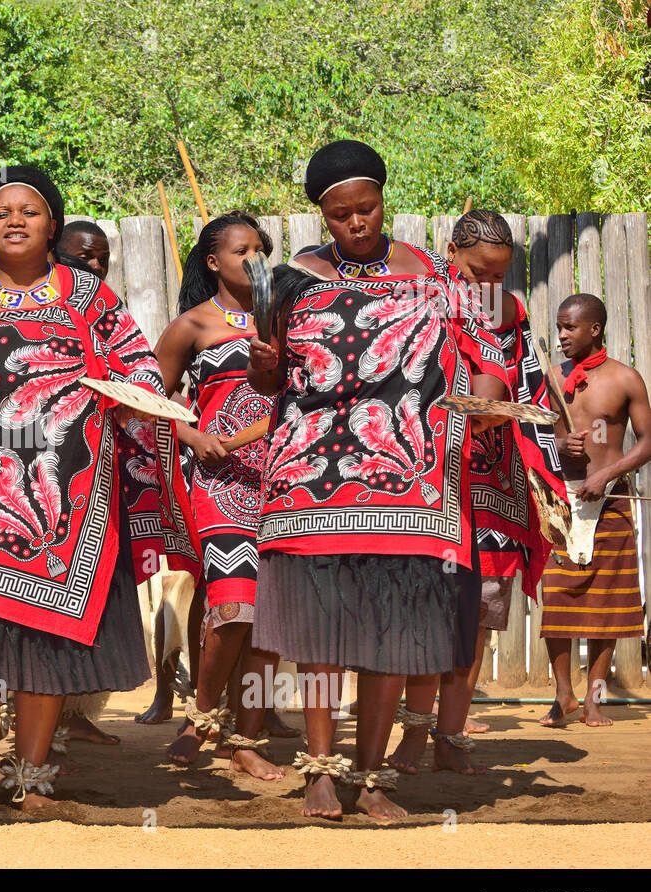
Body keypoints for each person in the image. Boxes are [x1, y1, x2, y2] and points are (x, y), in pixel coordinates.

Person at [0, 165, 199, 813]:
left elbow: (140, 371)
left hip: (65, 490)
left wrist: (140, 402)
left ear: (53, 226)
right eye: (1, 211)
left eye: (29, 211)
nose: (14, 219)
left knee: (47, 629)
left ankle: (32, 775)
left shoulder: (91, 300)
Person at [249, 139, 509, 821]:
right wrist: (265, 361)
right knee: (322, 632)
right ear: (322, 216)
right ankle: (320, 773)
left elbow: (486, 352)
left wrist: (479, 410)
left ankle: (372, 779)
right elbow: (267, 378)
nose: (356, 223)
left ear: (383, 200)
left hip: (408, 478)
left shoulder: (432, 273)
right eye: (340, 216)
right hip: (311, 479)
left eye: (366, 208)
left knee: (391, 628)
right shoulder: (291, 278)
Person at [388, 211, 565, 773]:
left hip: (489, 481)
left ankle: (450, 737)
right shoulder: (410, 292)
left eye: (499, 275)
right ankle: (412, 737)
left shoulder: (508, 309)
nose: (486, 287)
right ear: (449, 250)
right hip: (422, 475)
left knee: (478, 613)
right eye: (476, 272)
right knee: (423, 611)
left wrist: (493, 402)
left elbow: (519, 378)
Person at [151, 212, 291, 780]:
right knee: (234, 602)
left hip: (285, 479)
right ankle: (202, 714)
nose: (253, 259)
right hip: (219, 482)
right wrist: (192, 435)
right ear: (213, 262)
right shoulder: (192, 326)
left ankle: (245, 735)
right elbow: (146, 403)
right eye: (241, 250)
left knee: (271, 617)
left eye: (261, 249)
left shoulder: (287, 320)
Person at [539, 293, 651, 727]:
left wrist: (606, 474)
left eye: (570, 328)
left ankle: (594, 699)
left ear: (595, 329)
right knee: (558, 598)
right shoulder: (552, 377)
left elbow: (647, 441)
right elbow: (539, 433)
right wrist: (557, 441)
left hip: (611, 498)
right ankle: (563, 695)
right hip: (559, 502)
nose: (562, 335)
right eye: (559, 327)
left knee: (607, 603)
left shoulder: (625, 379)